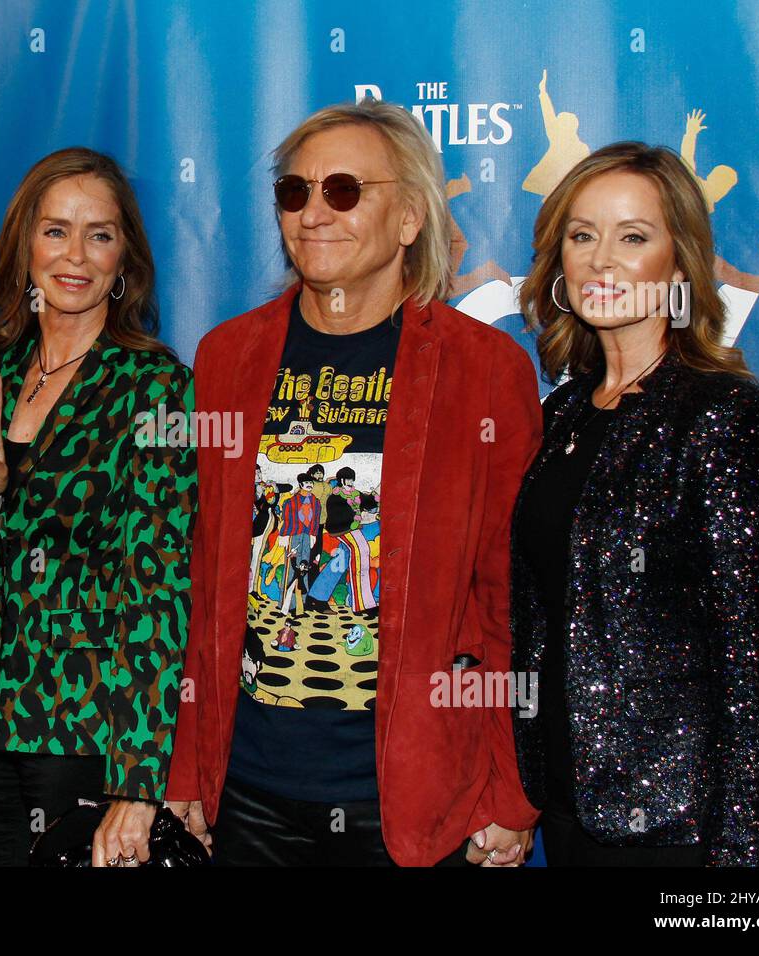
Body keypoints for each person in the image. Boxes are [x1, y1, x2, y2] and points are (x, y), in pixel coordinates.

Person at [165, 100, 543, 867]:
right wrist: (184, 764)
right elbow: (201, 581)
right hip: (247, 791)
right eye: (294, 191)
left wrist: (509, 786)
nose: (311, 213)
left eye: (342, 191)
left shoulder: (485, 371)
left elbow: (510, 599)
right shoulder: (227, 358)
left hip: (414, 798)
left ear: (408, 218)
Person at [512, 142, 759, 866]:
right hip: (566, 806)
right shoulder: (566, 412)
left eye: (633, 237)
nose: (601, 259)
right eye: (582, 235)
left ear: (679, 262)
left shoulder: (724, 416)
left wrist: (742, 862)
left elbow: (748, 659)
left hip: (673, 827)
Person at [0, 148, 196, 867]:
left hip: (90, 741)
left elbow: (160, 585)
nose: (75, 255)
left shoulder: (155, 385)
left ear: (124, 259)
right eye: (55, 231)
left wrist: (139, 782)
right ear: (24, 248)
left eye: (100, 234)